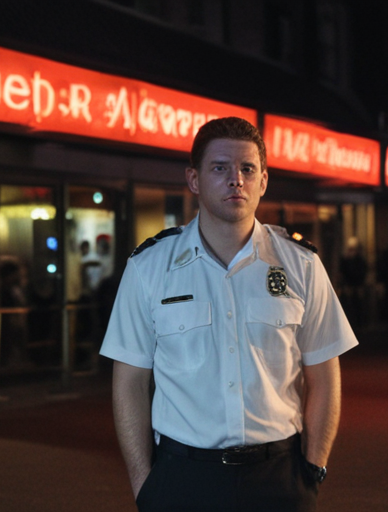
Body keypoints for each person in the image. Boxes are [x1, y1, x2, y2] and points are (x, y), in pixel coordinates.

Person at [100, 117, 358, 512]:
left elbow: (324, 373)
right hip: (182, 479)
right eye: (220, 168)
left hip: (279, 479)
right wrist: (144, 485)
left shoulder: (300, 264)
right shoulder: (149, 267)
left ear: (264, 181)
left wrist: (313, 469)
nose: (235, 179)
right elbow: (129, 382)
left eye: (247, 169)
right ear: (194, 180)